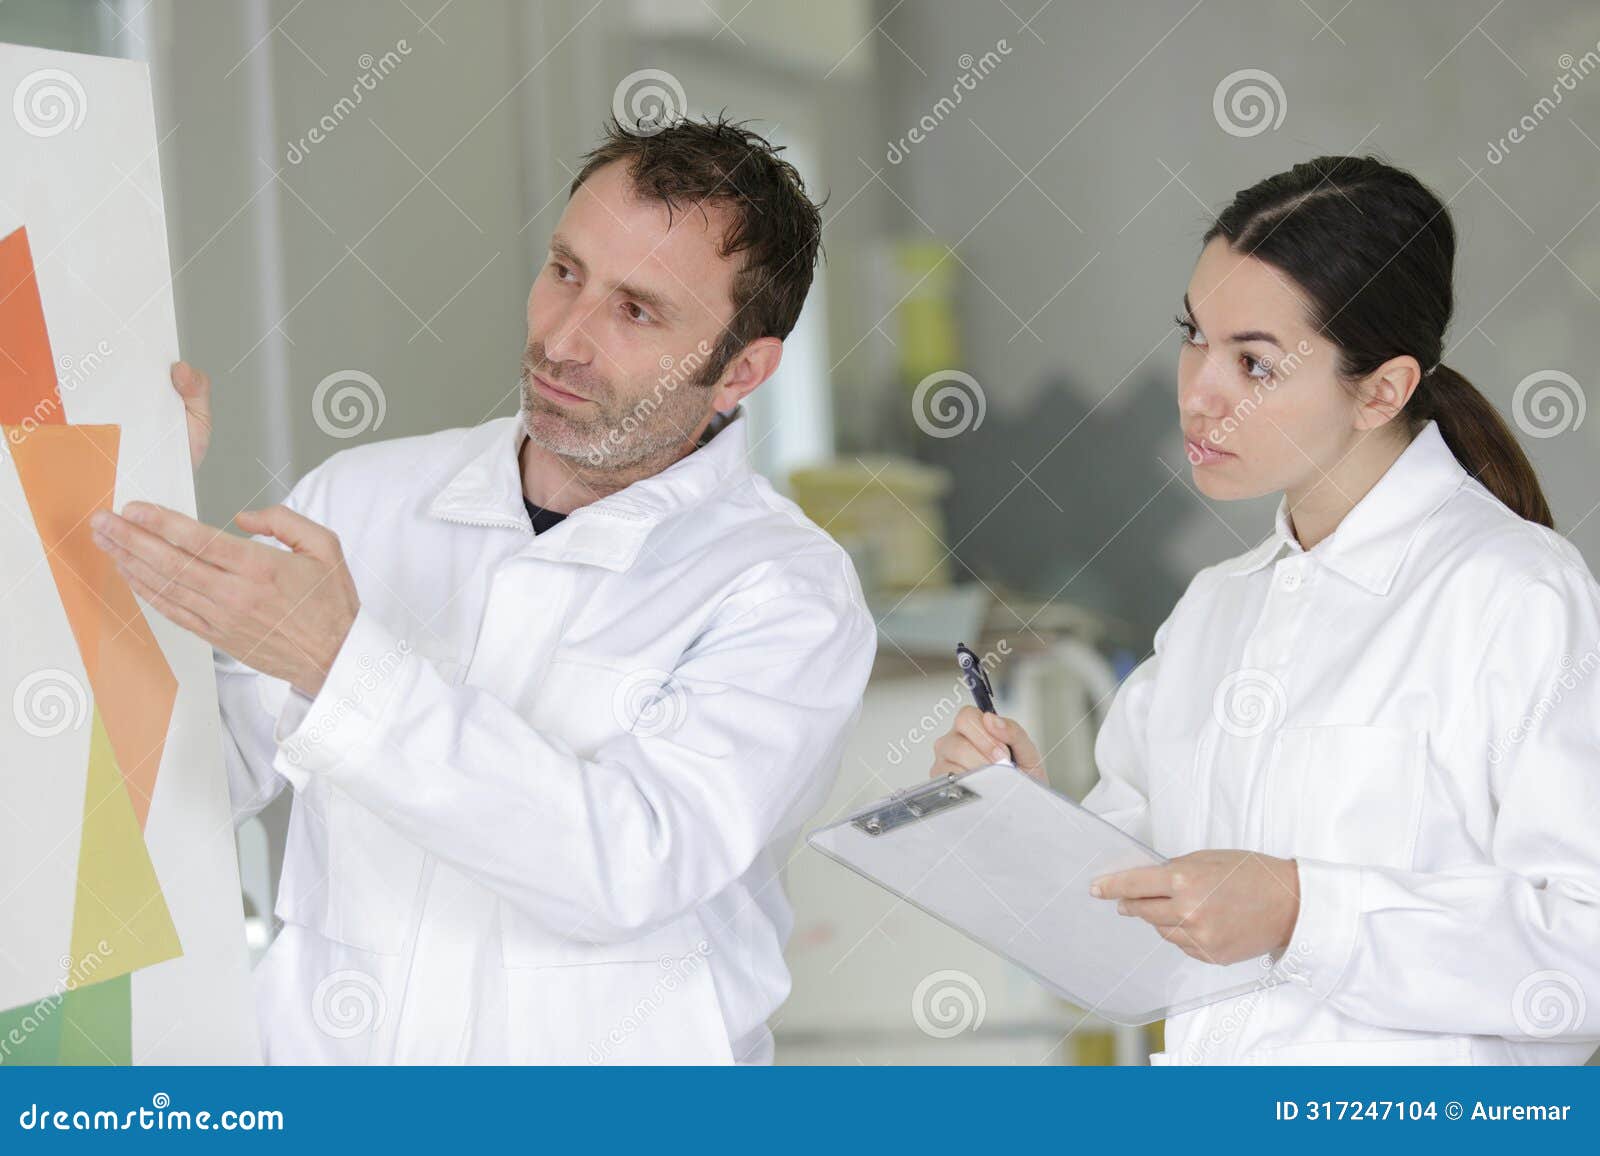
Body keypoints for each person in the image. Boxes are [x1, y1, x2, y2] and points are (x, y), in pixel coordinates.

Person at [90, 115, 876, 1064]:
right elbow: (176, 784)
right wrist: (88, 524)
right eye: (565, 270)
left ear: (740, 371)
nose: (564, 337)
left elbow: (628, 869)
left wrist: (343, 667)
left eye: (638, 311)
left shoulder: (783, 591)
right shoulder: (361, 499)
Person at [929, 156, 1600, 1065]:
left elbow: (1582, 952)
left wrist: (1300, 908)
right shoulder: (1215, 613)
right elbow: (1130, 947)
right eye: (1194, 335)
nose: (1199, 393)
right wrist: (1020, 818)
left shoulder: (1515, 596)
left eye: (1254, 362)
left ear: (1383, 390)